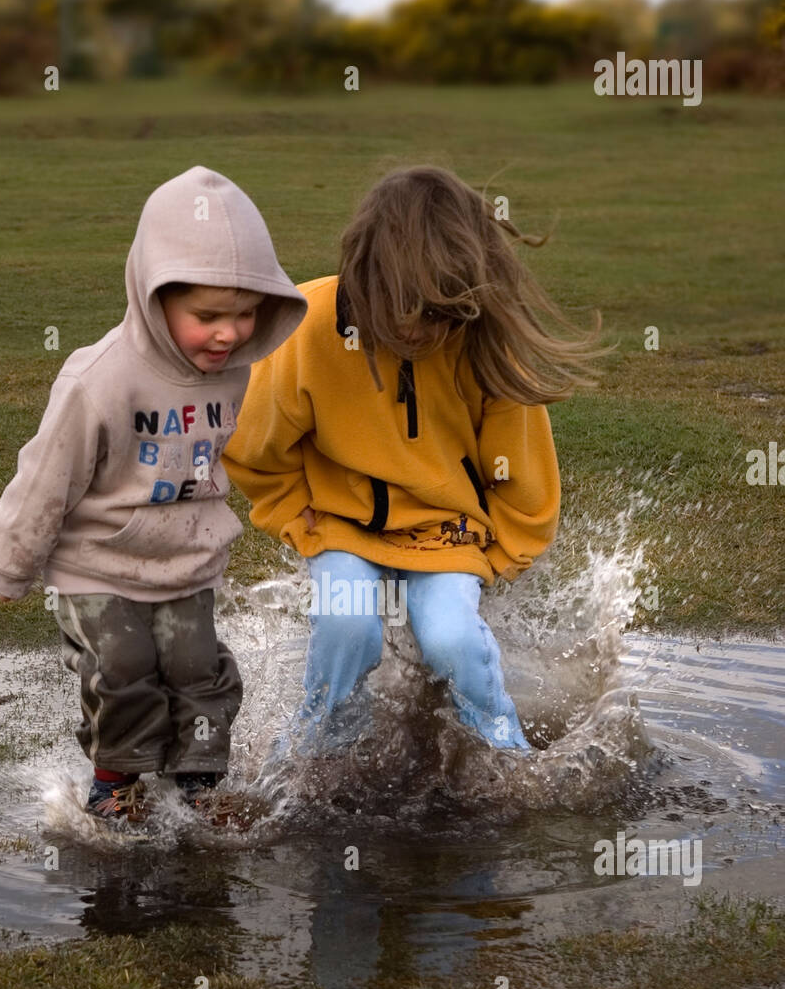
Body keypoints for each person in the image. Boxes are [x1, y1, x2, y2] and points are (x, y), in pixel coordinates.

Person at [223, 165, 608, 756]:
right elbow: (254, 451)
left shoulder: (484, 344)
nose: (422, 329)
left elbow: (524, 483)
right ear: (369, 277)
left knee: (450, 638)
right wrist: (301, 521)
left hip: (450, 536)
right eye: (411, 308)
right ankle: (312, 758)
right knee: (348, 626)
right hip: (342, 530)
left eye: (440, 314)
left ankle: (507, 755)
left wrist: (494, 560)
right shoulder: (310, 326)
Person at [0, 166, 307, 822]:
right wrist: (10, 562)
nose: (229, 334)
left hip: (182, 562)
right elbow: (49, 474)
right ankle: (116, 783)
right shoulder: (100, 380)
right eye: (207, 316)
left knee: (197, 668)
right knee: (125, 664)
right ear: (155, 298)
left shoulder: (230, 374)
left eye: (245, 315)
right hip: (96, 562)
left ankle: (199, 779)